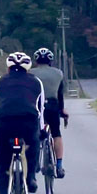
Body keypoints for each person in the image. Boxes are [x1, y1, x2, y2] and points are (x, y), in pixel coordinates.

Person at [0, 52, 44, 194]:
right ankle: (31, 177)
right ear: (28, 68)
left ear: (8, 67)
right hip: (28, 122)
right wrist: (40, 130)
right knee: (33, 145)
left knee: (1, 164)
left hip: (4, 123)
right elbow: (40, 107)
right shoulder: (36, 82)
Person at [31, 47, 68, 178]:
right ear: (50, 61)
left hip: (35, 107)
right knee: (56, 134)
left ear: (36, 61)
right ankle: (59, 165)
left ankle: (34, 163)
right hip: (52, 106)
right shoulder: (58, 73)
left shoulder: (30, 73)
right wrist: (62, 110)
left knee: (33, 135)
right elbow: (60, 94)